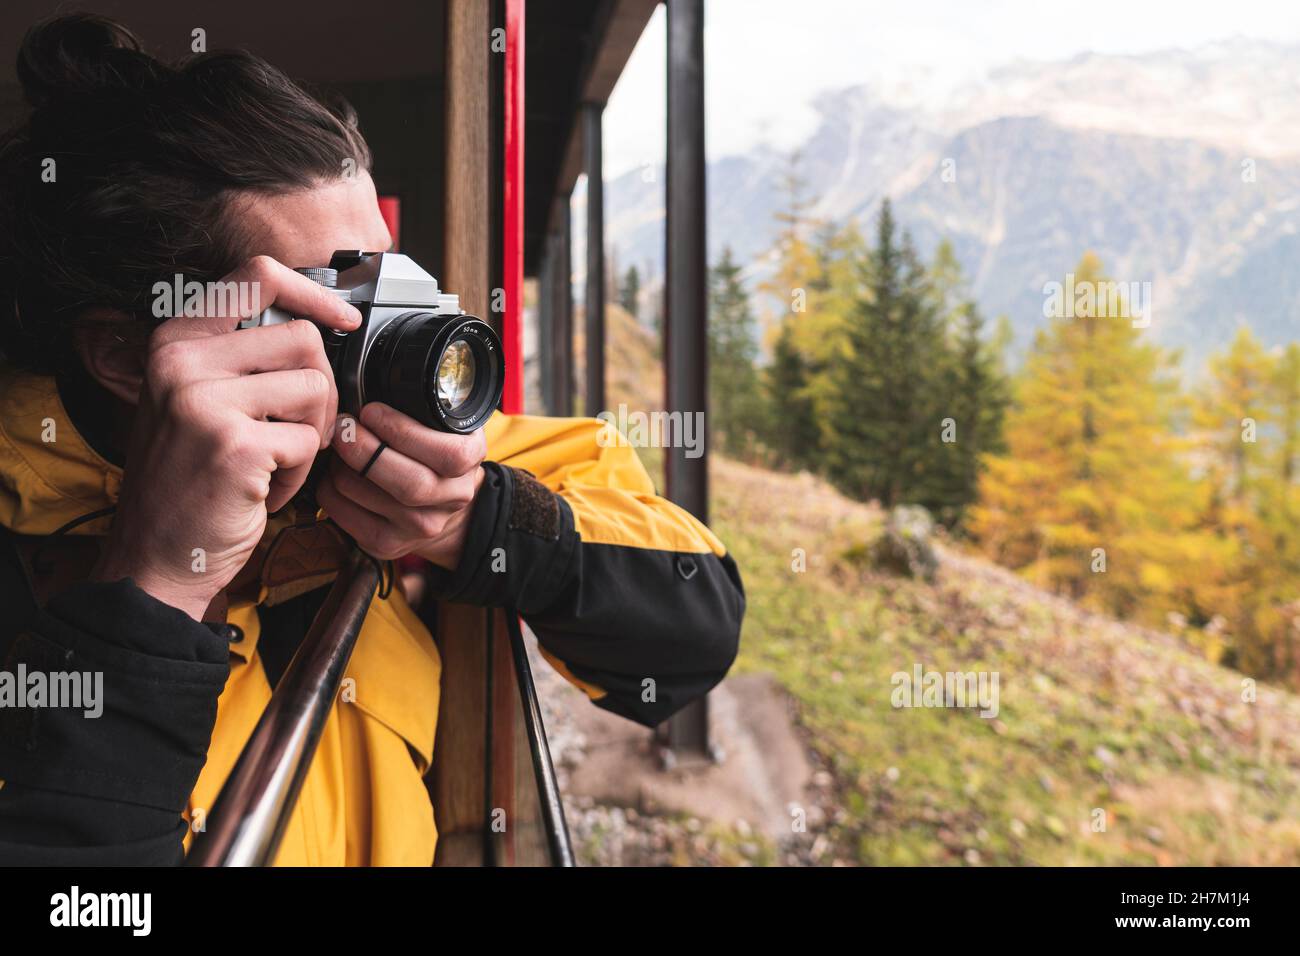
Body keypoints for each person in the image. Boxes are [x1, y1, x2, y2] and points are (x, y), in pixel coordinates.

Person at [0, 14, 743, 865]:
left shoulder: (394, 448)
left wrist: (473, 520)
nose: (382, 339)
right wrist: (155, 586)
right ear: (126, 356)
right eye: (327, 303)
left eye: (382, 284)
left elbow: (696, 631)